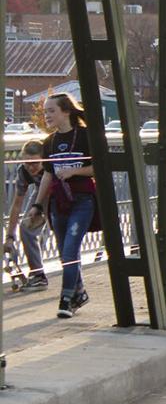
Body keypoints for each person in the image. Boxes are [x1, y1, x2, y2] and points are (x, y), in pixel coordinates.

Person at [27, 93, 96, 318]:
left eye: (51, 111)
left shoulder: (85, 137)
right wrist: (38, 205)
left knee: (70, 250)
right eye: (45, 111)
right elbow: (48, 175)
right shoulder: (50, 143)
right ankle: (80, 292)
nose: (47, 115)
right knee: (64, 253)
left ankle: (66, 299)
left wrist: (74, 171)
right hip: (59, 204)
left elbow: (97, 168)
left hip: (82, 200)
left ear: (66, 111)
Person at [5, 140, 50, 290]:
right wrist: (9, 236)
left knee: (61, 230)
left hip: (59, 192)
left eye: (35, 163)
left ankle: (73, 277)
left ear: (43, 159)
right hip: (40, 193)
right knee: (26, 228)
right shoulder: (23, 172)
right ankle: (38, 275)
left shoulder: (51, 166)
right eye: (27, 163)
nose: (30, 167)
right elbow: (17, 204)